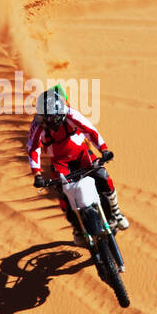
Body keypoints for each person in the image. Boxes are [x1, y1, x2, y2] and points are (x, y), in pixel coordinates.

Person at [28, 87, 128, 245]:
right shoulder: (37, 125)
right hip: (60, 163)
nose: (53, 121)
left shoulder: (70, 114)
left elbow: (90, 131)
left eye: (55, 117)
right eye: (49, 118)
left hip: (82, 154)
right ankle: (77, 226)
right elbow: (33, 149)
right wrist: (37, 174)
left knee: (103, 176)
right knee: (62, 195)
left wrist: (104, 149)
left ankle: (116, 211)